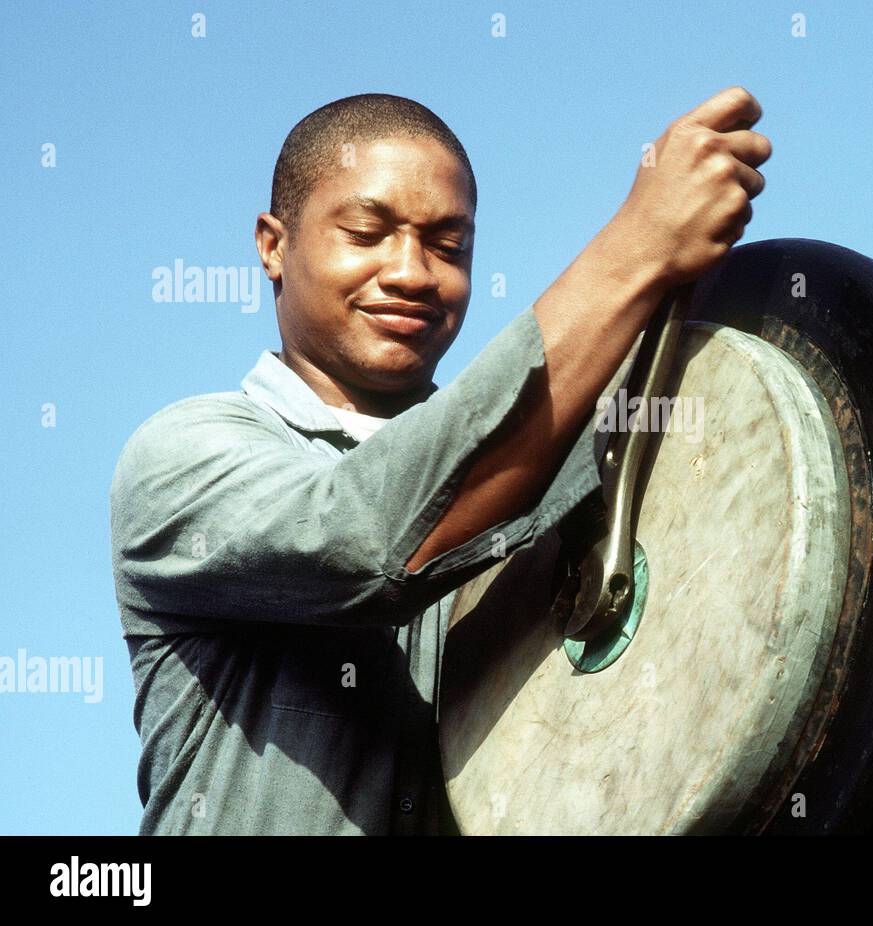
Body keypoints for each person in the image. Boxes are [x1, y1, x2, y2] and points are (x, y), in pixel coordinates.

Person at [109, 88, 770, 835]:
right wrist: (636, 250)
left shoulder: (525, 478)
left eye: (449, 247)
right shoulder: (183, 456)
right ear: (273, 245)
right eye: (366, 233)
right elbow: (372, 542)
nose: (413, 273)